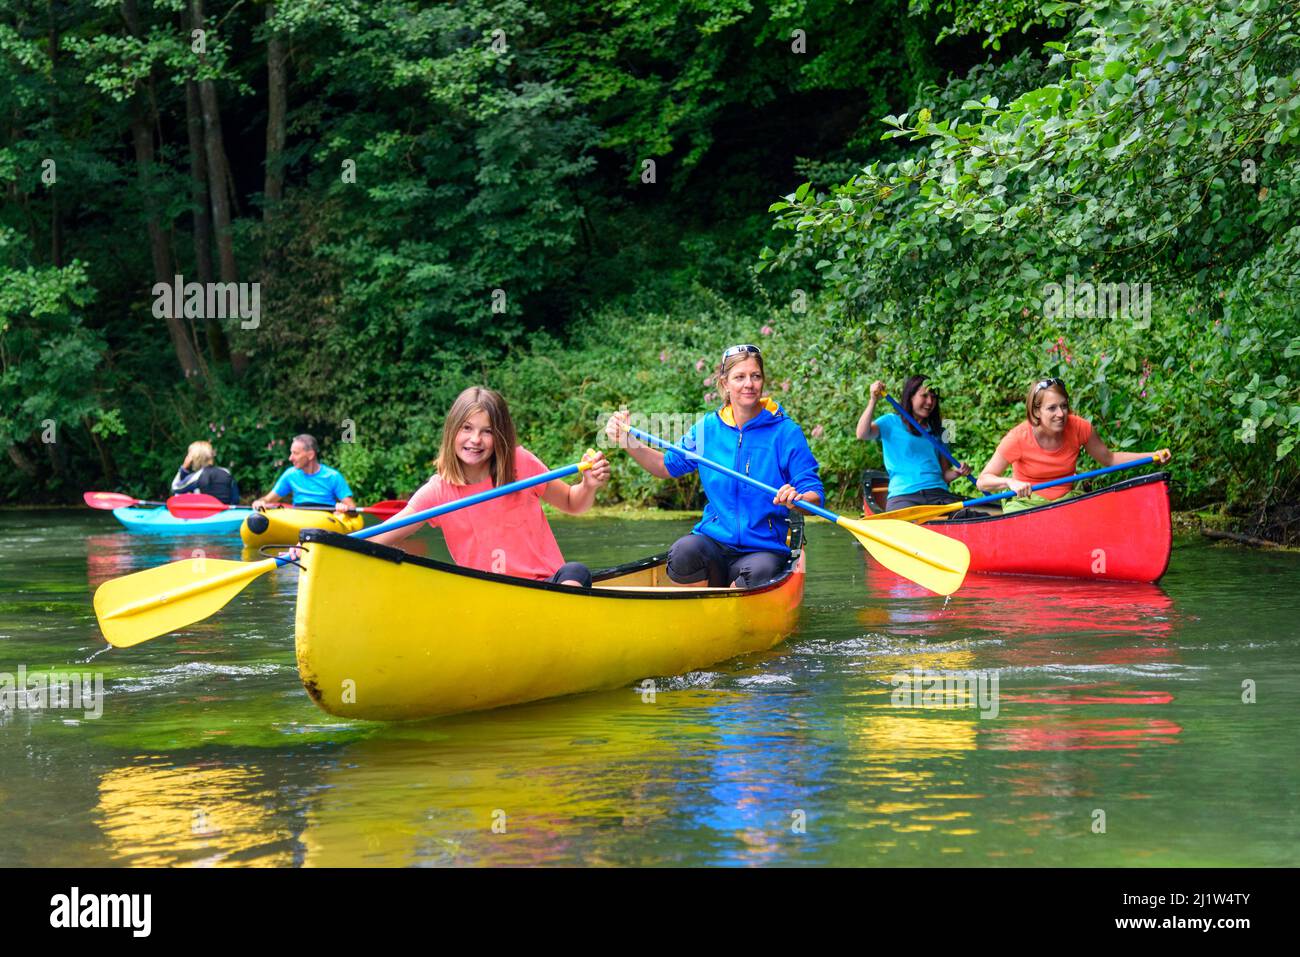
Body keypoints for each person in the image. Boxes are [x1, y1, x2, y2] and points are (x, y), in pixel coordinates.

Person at [605, 343, 823, 589]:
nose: (748, 384)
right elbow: (665, 467)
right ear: (725, 383)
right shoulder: (707, 429)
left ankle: (734, 609)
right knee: (683, 551)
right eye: (739, 377)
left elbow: (814, 496)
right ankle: (698, 616)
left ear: (763, 381)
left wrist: (799, 498)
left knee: (759, 574)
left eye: (755, 376)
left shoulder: (786, 432)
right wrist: (627, 442)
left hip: (764, 550)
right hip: (715, 543)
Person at [369, 386, 610, 588]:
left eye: (487, 432)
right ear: (452, 432)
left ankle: (561, 619)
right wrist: (334, 545)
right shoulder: (439, 491)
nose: (475, 439)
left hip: (545, 587)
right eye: (466, 428)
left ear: (500, 437)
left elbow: (571, 502)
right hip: (487, 594)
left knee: (576, 572)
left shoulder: (521, 464)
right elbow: (380, 536)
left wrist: (588, 485)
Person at [977, 376, 1171, 512]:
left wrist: (1152, 456)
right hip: (1026, 505)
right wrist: (1010, 482)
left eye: (1063, 405)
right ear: (1036, 412)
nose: (1061, 414)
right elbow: (983, 480)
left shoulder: (1079, 427)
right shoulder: (1017, 437)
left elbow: (1109, 459)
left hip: (1067, 502)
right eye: (1052, 408)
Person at [855, 375, 971, 511]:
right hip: (904, 496)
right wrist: (873, 400)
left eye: (933, 397)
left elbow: (945, 475)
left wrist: (958, 472)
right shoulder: (890, 422)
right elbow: (861, 434)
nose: (930, 402)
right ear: (910, 397)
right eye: (924, 396)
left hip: (938, 493)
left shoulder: (944, 430)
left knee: (965, 517)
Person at [251, 434, 356, 513]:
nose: (290, 458)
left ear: (310, 455)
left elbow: (352, 509)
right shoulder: (290, 475)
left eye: (295, 453)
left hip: (326, 516)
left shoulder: (333, 476)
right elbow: (268, 499)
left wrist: (344, 508)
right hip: (300, 516)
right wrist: (261, 502)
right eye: (291, 453)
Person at [170, 440, 240, 505]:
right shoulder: (226, 472)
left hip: (206, 514)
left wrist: (183, 468)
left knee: (180, 495)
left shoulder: (198, 475)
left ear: (194, 458)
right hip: (225, 513)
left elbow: (175, 488)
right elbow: (235, 499)